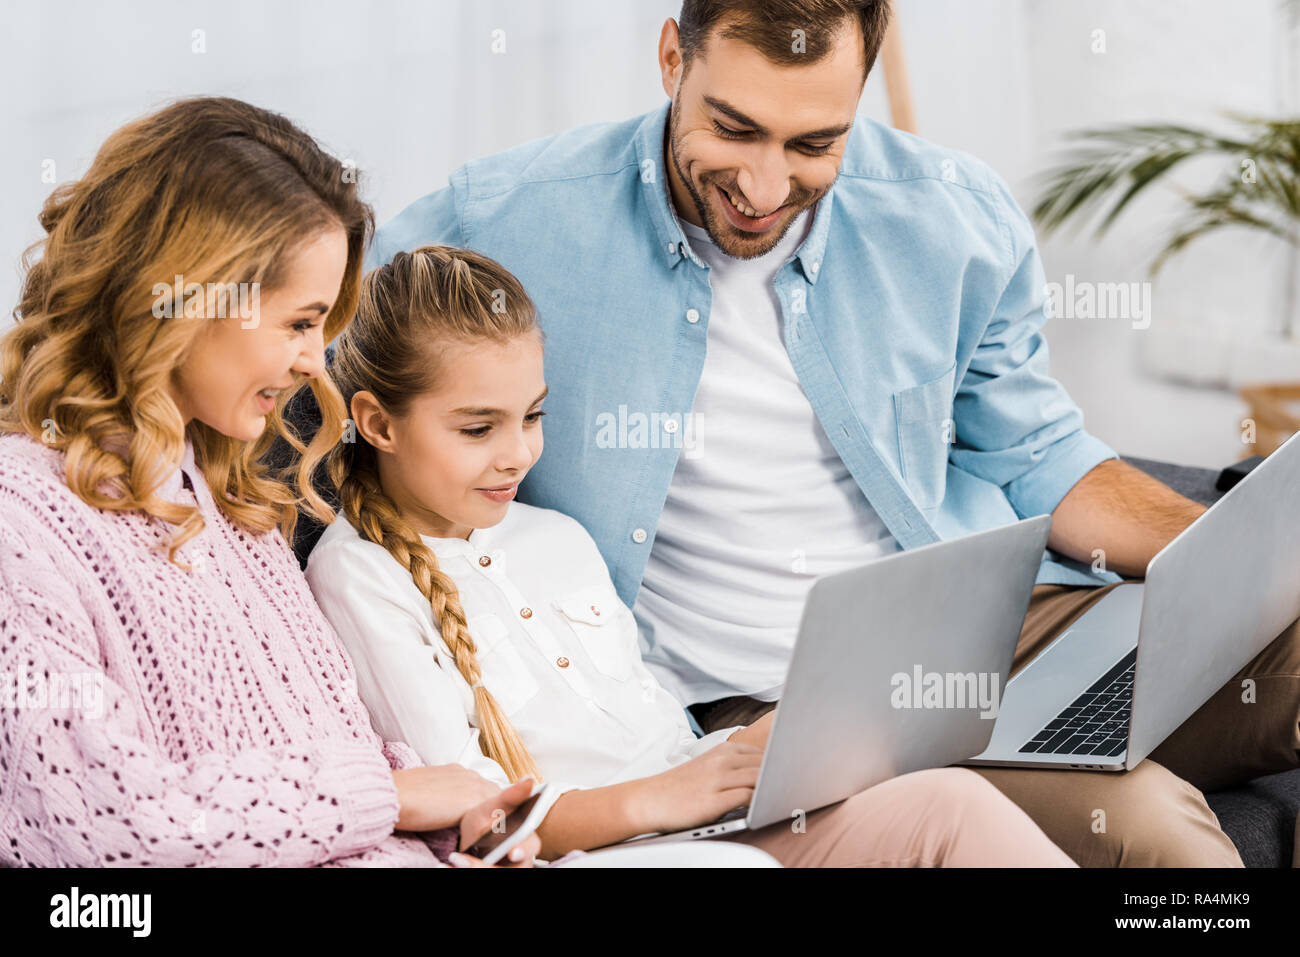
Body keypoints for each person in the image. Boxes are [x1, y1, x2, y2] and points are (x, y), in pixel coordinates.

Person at [360, 0, 1300, 866]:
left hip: (987, 631)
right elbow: (322, 329)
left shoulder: (950, 216)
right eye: (733, 128)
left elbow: (1036, 452)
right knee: (1154, 828)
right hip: (778, 707)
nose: (765, 185)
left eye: (814, 141)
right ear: (669, 59)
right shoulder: (515, 213)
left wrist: (1228, 562)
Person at [304, 243, 1076, 867]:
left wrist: (761, 749)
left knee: (951, 801)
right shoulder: (358, 574)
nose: (519, 454)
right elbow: (468, 813)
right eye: (478, 429)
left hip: (707, 818)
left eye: (533, 416)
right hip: (609, 847)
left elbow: (655, 726)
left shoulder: (555, 538)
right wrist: (668, 797)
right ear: (376, 422)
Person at [0, 95, 543, 868]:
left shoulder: (233, 511)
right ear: (183, 299)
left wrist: (448, 826)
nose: (315, 359)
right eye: (298, 322)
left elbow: (315, 765)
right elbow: (100, 823)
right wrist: (393, 798)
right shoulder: (19, 521)